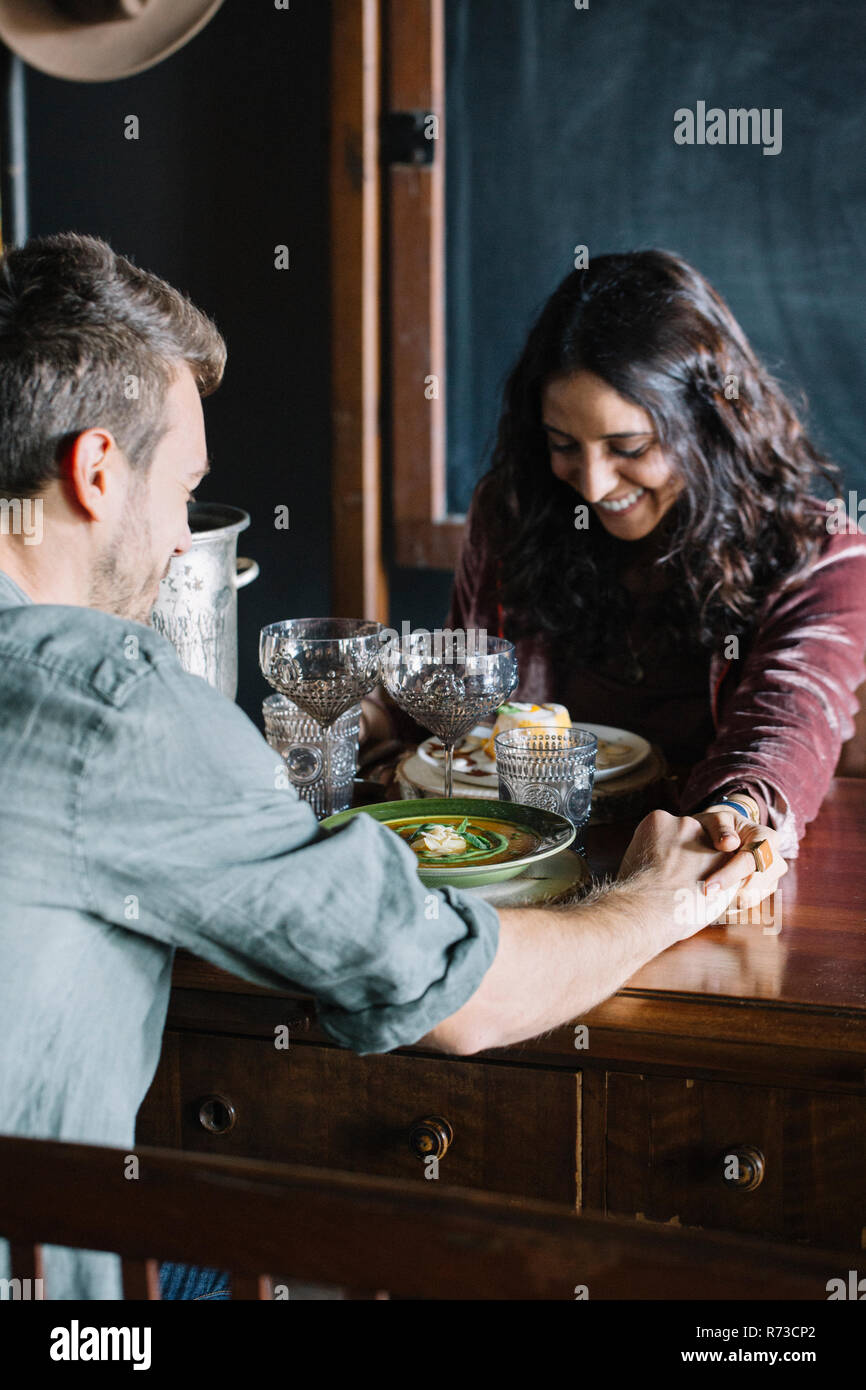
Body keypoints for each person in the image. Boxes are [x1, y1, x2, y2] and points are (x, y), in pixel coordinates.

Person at [0, 234, 765, 1302]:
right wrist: (649, 902)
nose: (183, 543)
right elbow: (452, 993)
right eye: (184, 491)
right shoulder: (111, 701)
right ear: (92, 472)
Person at [368, 251, 866, 875]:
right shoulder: (516, 511)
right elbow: (468, 684)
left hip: (684, 878)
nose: (595, 483)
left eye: (628, 447)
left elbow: (788, 721)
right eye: (563, 445)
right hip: (523, 866)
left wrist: (736, 813)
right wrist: (371, 713)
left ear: (709, 420)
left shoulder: (819, 552)